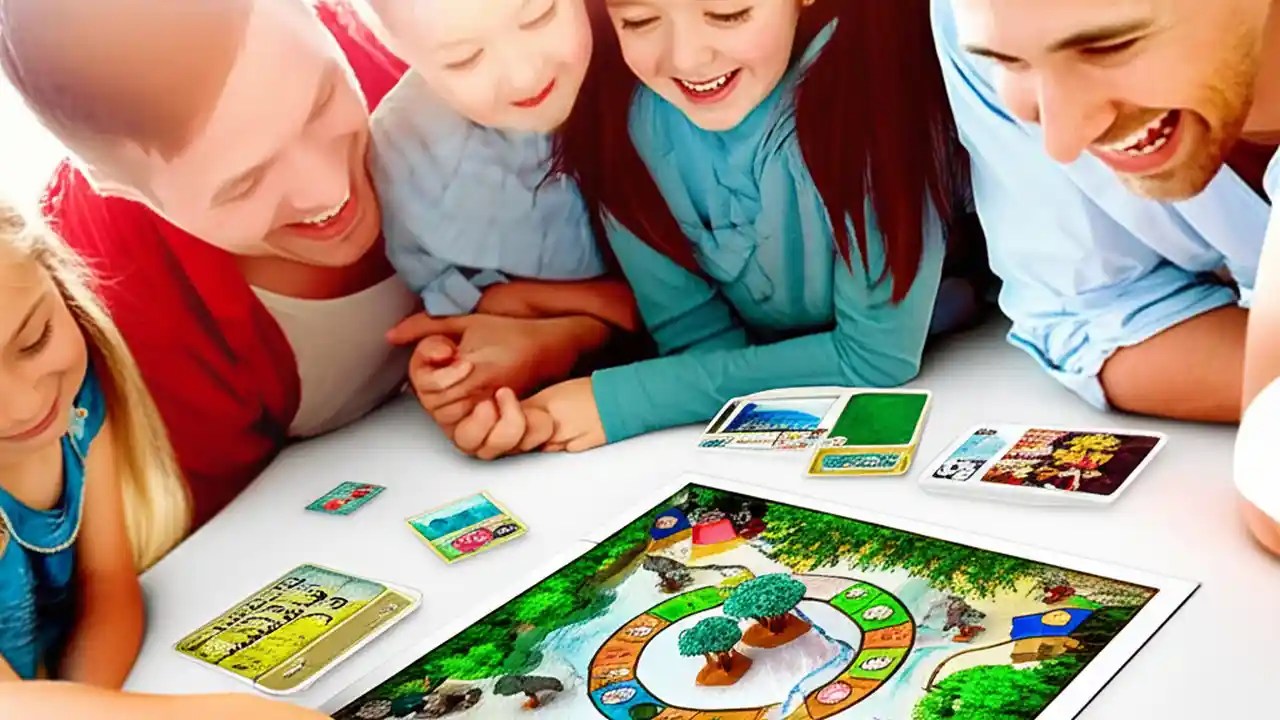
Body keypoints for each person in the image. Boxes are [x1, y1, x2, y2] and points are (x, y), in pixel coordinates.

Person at [0, 0, 614, 526]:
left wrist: (567, 339)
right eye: (243, 185)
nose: (330, 191)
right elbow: (235, 545)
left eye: (321, 101)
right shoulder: (120, 298)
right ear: (117, 185)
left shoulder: (434, 35)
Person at [519, 0, 976, 451]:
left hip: (964, 372)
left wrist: (626, 400)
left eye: (728, 13)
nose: (688, 58)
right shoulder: (623, 120)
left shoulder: (870, 90)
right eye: (639, 21)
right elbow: (696, 343)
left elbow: (877, 357)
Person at [936, 0, 1280, 553]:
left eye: (1110, 47)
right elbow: (1081, 314)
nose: (1063, 141)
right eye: (1009, 62)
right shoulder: (984, 14)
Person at [0, 201, 319, 719]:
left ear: (57, 283)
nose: (24, 405)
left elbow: (108, 588)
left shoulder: (75, 404)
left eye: (34, 341)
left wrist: (96, 705)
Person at [349, 0, 643, 455]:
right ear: (396, 48)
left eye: (540, 15)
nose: (525, 75)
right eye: (464, 59)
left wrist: (557, 326)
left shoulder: (656, 44)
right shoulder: (407, 158)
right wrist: (456, 374)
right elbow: (461, 305)